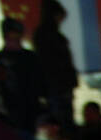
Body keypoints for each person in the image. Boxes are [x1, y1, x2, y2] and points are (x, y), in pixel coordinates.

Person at [32, 0, 77, 131]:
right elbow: (52, 63)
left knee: (63, 119)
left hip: (57, 85)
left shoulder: (48, 35)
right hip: (56, 85)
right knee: (60, 122)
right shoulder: (47, 36)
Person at [0, 18, 43, 135]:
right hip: (10, 106)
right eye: (13, 32)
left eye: (18, 33)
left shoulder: (30, 56)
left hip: (30, 105)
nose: (16, 36)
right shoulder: (0, 58)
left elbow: (38, 79)